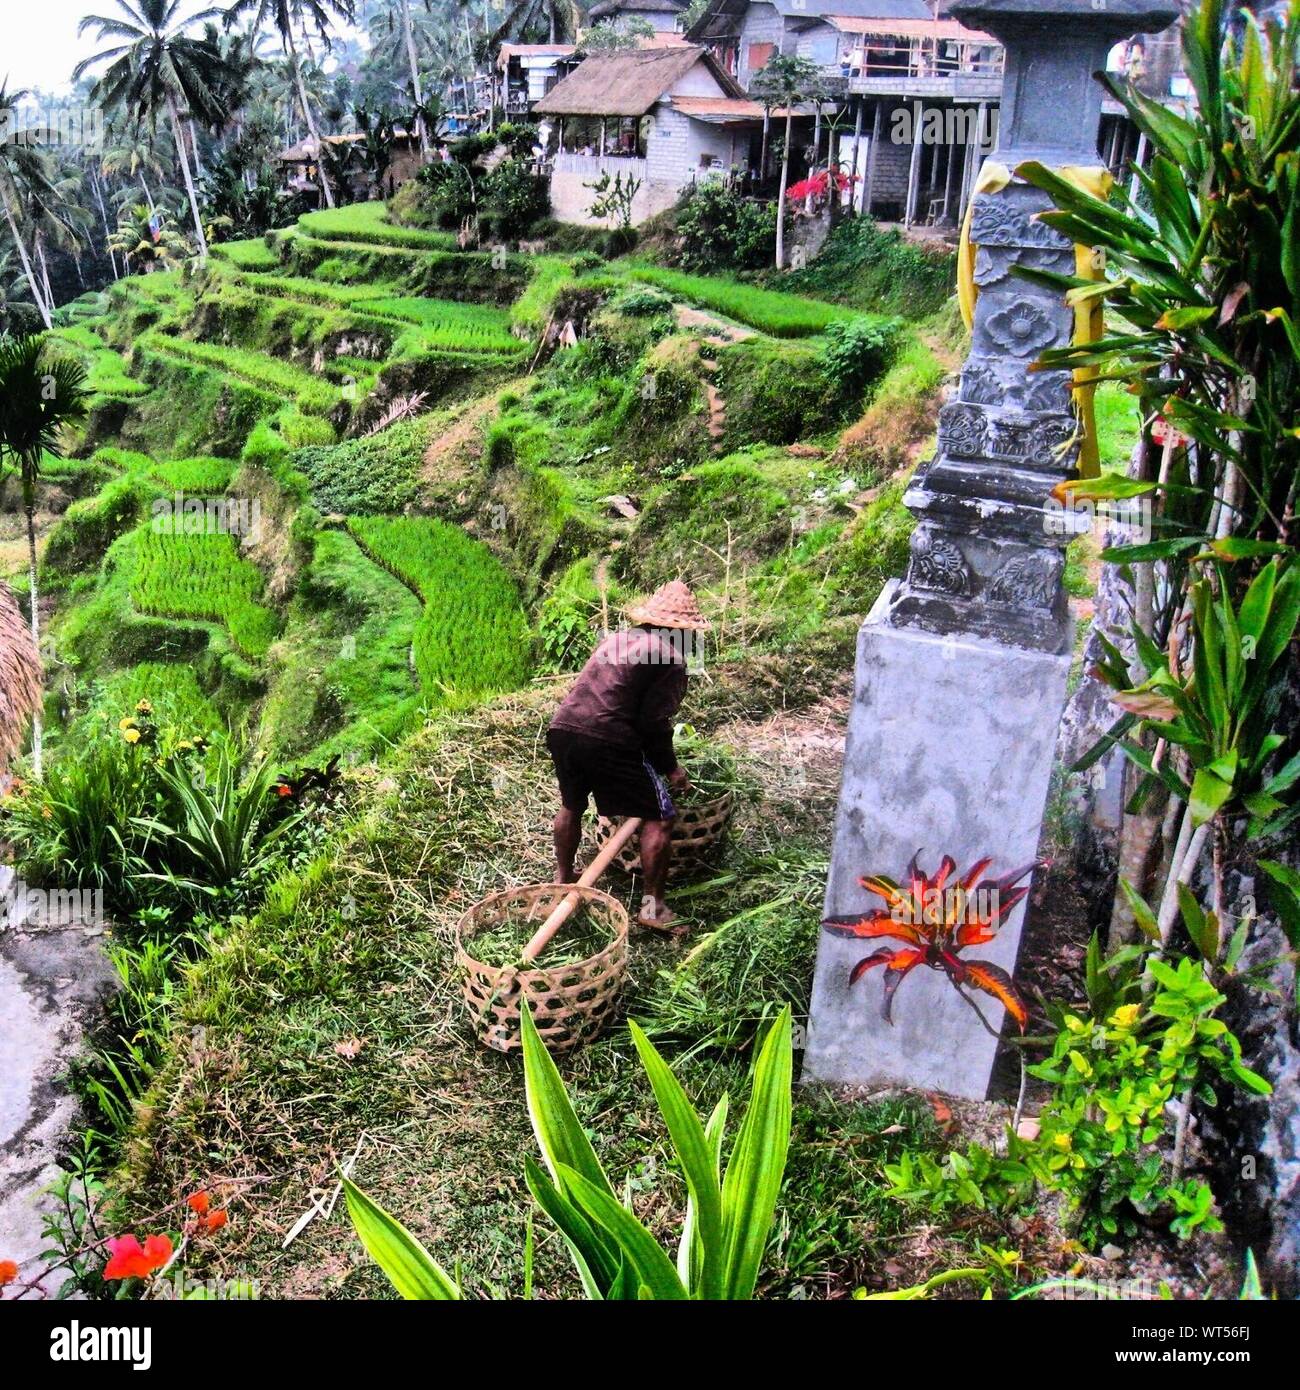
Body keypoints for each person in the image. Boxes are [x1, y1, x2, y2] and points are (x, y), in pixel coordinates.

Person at [546, 580, 708, 929]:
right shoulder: (671, 658)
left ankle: (563, 876)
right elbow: (654, 722)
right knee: (661, 816)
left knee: (572, 804)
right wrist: (672, 768)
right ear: (682, 630)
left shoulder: (617, 639)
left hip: (563, 729)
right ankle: (653, 908)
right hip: (606, 738)